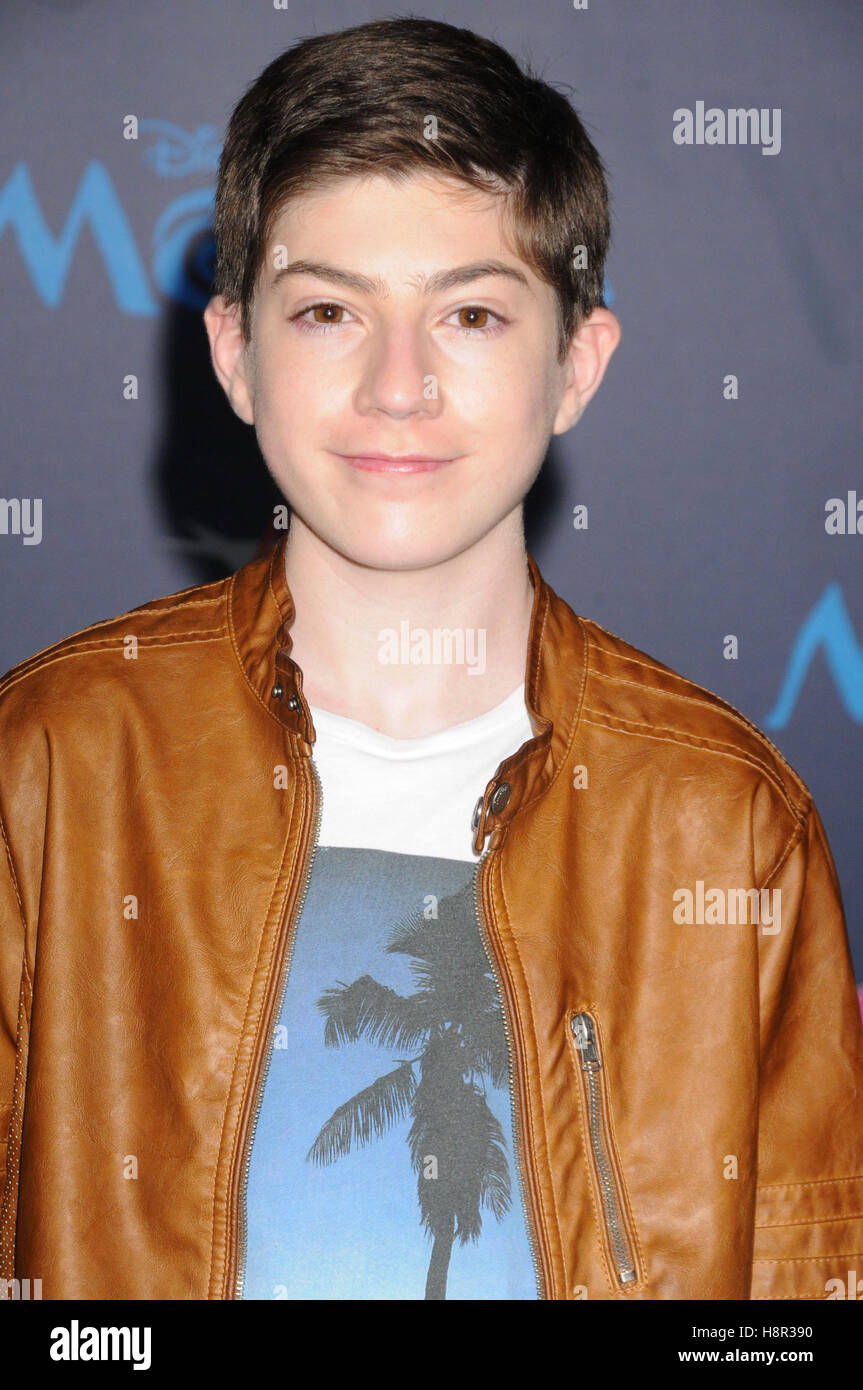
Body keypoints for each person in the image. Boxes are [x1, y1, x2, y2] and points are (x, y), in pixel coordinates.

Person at [1, 16, 861, 1302]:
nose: (396, 385)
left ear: (575, 362)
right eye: (329, 308)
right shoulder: (51, 760)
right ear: (235, 352)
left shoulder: (727, 823)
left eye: (467, 312)